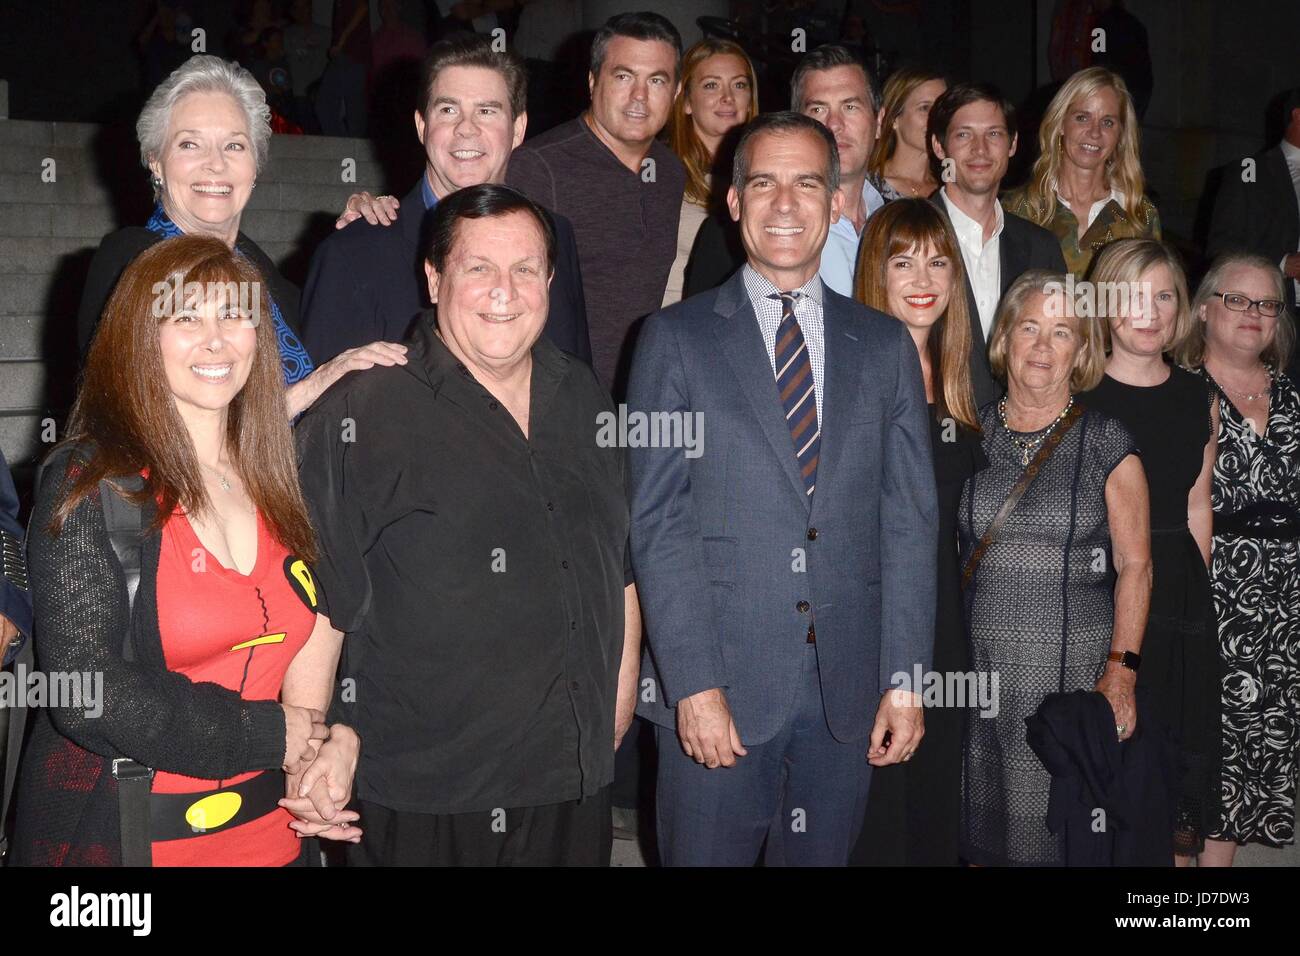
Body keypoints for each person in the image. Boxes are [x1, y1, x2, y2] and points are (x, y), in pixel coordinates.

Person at [296, 184, 639, 867]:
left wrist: (619, 699)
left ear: (549, 280)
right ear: (434, 279)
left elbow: (616, 563)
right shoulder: (363, 410)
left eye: (524, 269)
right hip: (421, 791)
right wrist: (310, 746)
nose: (503, 292)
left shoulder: (584, 396)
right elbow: (319, 601)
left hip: (567, 775)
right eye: (478, 268)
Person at [628, 112, 938, 867]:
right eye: (764, 183)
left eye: (807, 183)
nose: (786, 204)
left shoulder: (885, 346)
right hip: (719, 690)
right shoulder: (673, 339)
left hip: (846, 695)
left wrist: (905, 680)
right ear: (734, 201)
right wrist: (692, 684)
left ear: (835, 200)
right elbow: (657, 523)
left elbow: (909, 523)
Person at [11, 236, 361, 866]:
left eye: (233, 314)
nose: (216, 339)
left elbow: (306, 650)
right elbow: (82, 689)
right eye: (186, 318)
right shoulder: (92, 482)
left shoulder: (282, 478)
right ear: (140, 339)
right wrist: (263, 735)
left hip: (277, 840)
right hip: (132, 846)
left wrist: (331, 743)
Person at [75, 55, 407, 420]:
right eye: (190, 144)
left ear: (255, 166)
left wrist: (361, 243)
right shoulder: (131, 261)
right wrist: (309, 389)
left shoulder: (256, 267)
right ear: (156, 160)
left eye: (234, 145)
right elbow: (151, 424)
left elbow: (333, 336)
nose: (216, 163)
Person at [958, 269, 1151, 866]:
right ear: (1004, 339)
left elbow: (1137, 566)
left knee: (1060, 837)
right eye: (1029, 328)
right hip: (979, 678)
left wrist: (1121, 674)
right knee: (981, 833)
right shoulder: (968, 434)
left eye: (1062, 331)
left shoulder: (1106, 441)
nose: (1042, 346)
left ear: (1082, 349)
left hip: (1070, 677)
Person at [300, 34, 591, 366]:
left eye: (486, 111)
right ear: (422, 126)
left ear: (518, 128)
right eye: (449, 109)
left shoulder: (556, 236)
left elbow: (574, 378)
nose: (466, 128)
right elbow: (322, 395)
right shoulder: (353, 253)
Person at [850, 198, 986, 866]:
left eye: (938, 261)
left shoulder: (965, 386)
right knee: (878, 812)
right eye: (903, 262)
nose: (923, 278)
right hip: (876, 622)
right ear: (875, 274)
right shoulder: (850, 380)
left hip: (949, 625)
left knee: (935, 805)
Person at [1082, 238, 1221, 863]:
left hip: (1179, 593)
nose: (1150, 311)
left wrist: (1196, 596)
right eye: (1133, 296)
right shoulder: (1079, 394)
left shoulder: (1198, 396)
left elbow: (1198, 505)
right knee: (1109, 760)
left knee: (1173, 761)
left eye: (1164, 296)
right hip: (1101, 589)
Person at [1177, 254, 1300, 863]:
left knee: (1251, 755)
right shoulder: (1178, 393)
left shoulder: (1295, 400)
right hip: (1209, 593)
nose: (1254, 313)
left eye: (1268, 303)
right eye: (1238, 299)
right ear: (1204, 308)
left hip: (1283, 609)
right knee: (1195, 750)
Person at [506, 10, 686, 396]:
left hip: (641, 395)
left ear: (675, 92)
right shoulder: (540, 167)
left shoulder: (670, 173)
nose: (639, 96)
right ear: (593, 81)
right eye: (623, 76)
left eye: (656, 80)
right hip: (558, 399)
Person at [684, 44, 886, 299]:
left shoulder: (897, 218)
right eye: (818, 109)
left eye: (850, 107)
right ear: (796, 122)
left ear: (879, 121)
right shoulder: (735, 232)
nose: (835, 124)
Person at [927, 82, 1068, 409]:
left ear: (1012, 144)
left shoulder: (1041, 247)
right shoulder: (905, 236)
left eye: (993, 134)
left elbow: (1066, 344)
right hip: (934, 429)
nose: (980, 149)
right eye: (964, 135)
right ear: (939, 146)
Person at [1003, 67, 1160, 277]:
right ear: (1060, 123)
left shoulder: (1140, 214)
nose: (1095, 132)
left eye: (1107, 122)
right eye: (1082, 118)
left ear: (1120, 134)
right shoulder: (1019, 208)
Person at [662, 38, 758, 307]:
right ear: (686, 101)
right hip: (676, 318)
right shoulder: (659, 172)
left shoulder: (766, 174)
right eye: (711, 85)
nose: (728, 97)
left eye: (739, 85)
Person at [1207, 88, 1300, 313]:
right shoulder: (1250, 171)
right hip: (1276, 310)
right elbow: (1221, 247)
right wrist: (1282, 263)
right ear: (1297, 115)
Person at [867, 68, 946, 201]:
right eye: (924, 108)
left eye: (942, 108)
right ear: (894, 119)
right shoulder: (867, 188)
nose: (937, 117)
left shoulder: (948, 189)